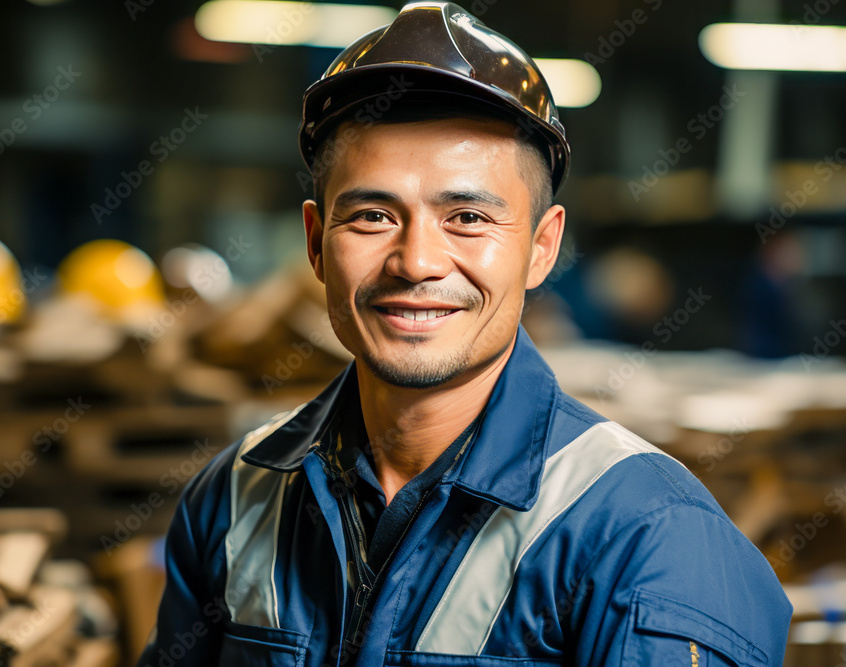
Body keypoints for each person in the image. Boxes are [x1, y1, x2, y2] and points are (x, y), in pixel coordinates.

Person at [136, 3, 793, 665]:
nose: (416, 261)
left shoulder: (649, 534)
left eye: (468, 217)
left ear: (541, 247)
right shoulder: (234, 495)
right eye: (371, 215)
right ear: (315, 242)